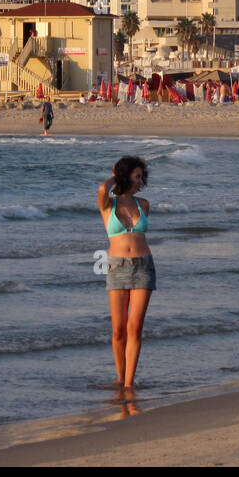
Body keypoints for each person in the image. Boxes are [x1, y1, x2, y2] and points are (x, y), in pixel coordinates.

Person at [98, 156, 154, 396]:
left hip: (144, 266)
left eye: (142, 176)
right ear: (125, 176)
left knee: (135, 328)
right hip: (116, 267)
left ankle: (129, 384)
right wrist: (116, 175)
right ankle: (120, 378)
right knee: (119, 329)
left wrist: (125, 176)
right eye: (137, 176)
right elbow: (102, 188)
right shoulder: (107, 205)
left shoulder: (144, 204)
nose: (141, 181)